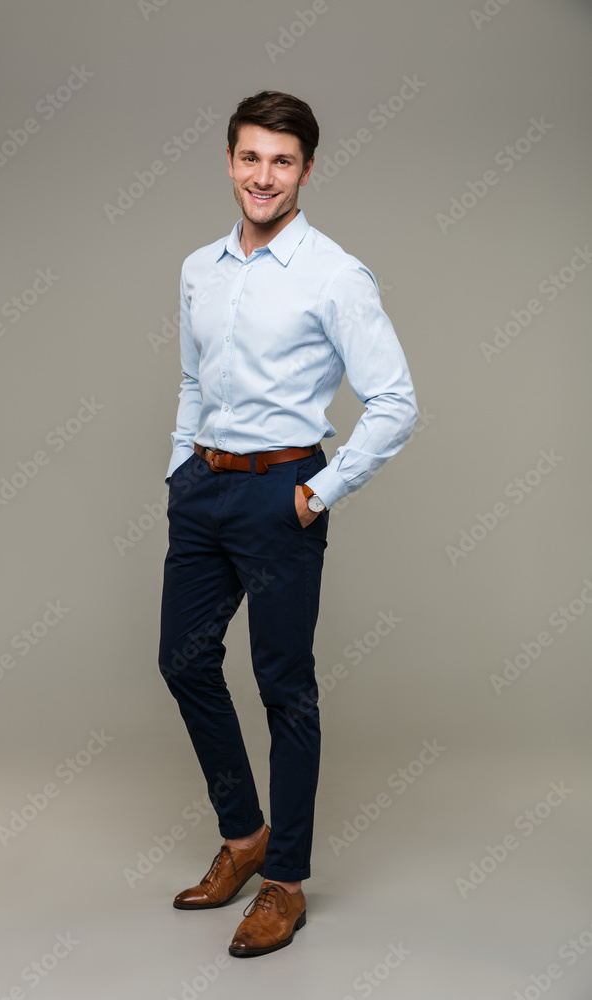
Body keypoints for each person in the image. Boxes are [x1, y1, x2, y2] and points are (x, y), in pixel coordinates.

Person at [158, 89, 418, 958]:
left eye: (281, 160)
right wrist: (178, 468)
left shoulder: (333, 273)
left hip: (282, 495)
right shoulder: (199, 267)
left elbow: (393, 401)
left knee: (283, 688)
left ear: (306, 169)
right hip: (205, 488)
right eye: (248, 157)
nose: (261, 176)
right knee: (182, 659)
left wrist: (316, 492)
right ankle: (243, 837)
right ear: (228, 161)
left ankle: (285, 883)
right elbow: (193, 380)